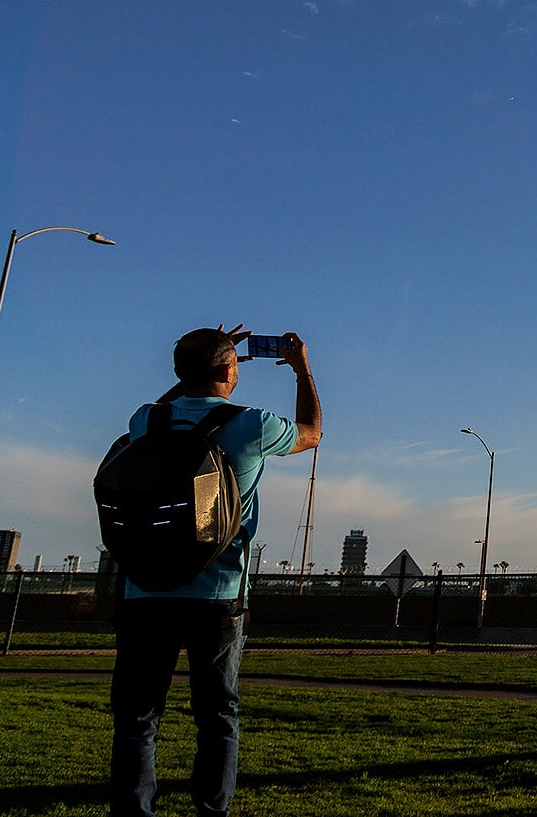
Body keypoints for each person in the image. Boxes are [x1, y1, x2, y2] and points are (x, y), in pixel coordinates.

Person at [110, 326, 321, 817]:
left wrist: (199, 368)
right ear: (231, 371)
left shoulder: (146, 420)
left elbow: (164, 407)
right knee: (217, 715)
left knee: (138, 718)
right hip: (218, 595)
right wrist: (301, 368)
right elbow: (311, 433)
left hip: (145, 591)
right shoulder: (250, 425)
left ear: (179, 373)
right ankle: (211, 811)